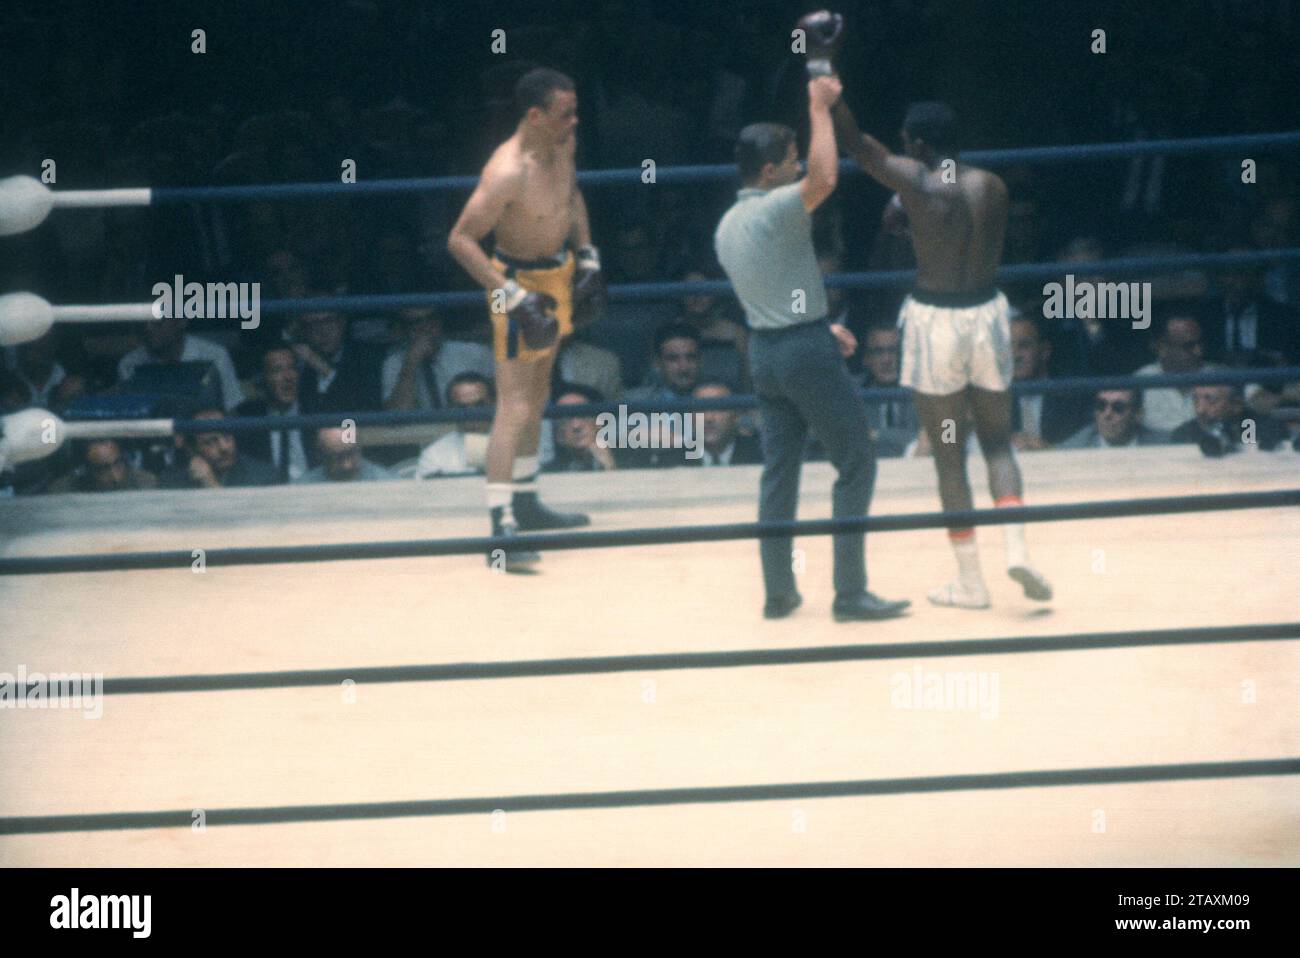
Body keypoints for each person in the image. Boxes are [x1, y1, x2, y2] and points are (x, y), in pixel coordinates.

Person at [833, 78, 1052, 609]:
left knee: (949, 456)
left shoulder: (922, 184)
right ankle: (1017, 545)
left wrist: (829, 86)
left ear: (921, 146)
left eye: (909, 144)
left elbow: (859, 147)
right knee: (998, 442)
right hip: (987, 313)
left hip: (937, 322)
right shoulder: (994, 186)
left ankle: (971, 583)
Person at [714, 70, 909, 623]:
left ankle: (779, 590)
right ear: (771, 169)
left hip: (768, 352)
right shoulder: (776, 207)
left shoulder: (728, 224)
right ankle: (850, 593)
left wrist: (818, 325)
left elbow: (774, 287)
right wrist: (818, 107)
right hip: (800, 350)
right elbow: (825, 178)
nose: (800, 164)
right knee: (856, 462)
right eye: (792, 157)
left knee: (780, 472)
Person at [447, 67, 606, 572]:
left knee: (538, 398)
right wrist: (512, 296)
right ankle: (500, 527)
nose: (574, 121)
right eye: (564, 114)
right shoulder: (507, 172)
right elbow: (460, 241)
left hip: (556, 273)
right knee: (513, 406)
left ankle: (528, 500)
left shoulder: (564, 145)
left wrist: (588, 255)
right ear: (534, 116)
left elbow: (573, 194)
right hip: (512, 283)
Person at [159, 409, 278, 489]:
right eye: (211, 441)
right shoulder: (172, 483)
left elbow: (242, 524)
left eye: (227, 436)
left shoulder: (262, 478)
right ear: (191, 449)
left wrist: (211, 485)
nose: (224, 447)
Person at [417, 372, 496, 477]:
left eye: (479, 405)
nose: (472, 414)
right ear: (451, 410)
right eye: (462, 408)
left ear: (494, 404)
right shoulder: (434, 454)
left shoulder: (517, 444)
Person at [1058, 389, 1169, 449]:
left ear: (1138, 414)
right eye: (1101, 405)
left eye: (1118, 407)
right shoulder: (1075, 449)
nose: (1107, 414)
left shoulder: (1162, 446)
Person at [296, 427, 394, 482]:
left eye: (351, 454)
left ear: (359, 448)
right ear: (322, 455)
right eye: (337, 458)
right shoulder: (303, 488)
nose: (347, 465)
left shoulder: (387, 483)